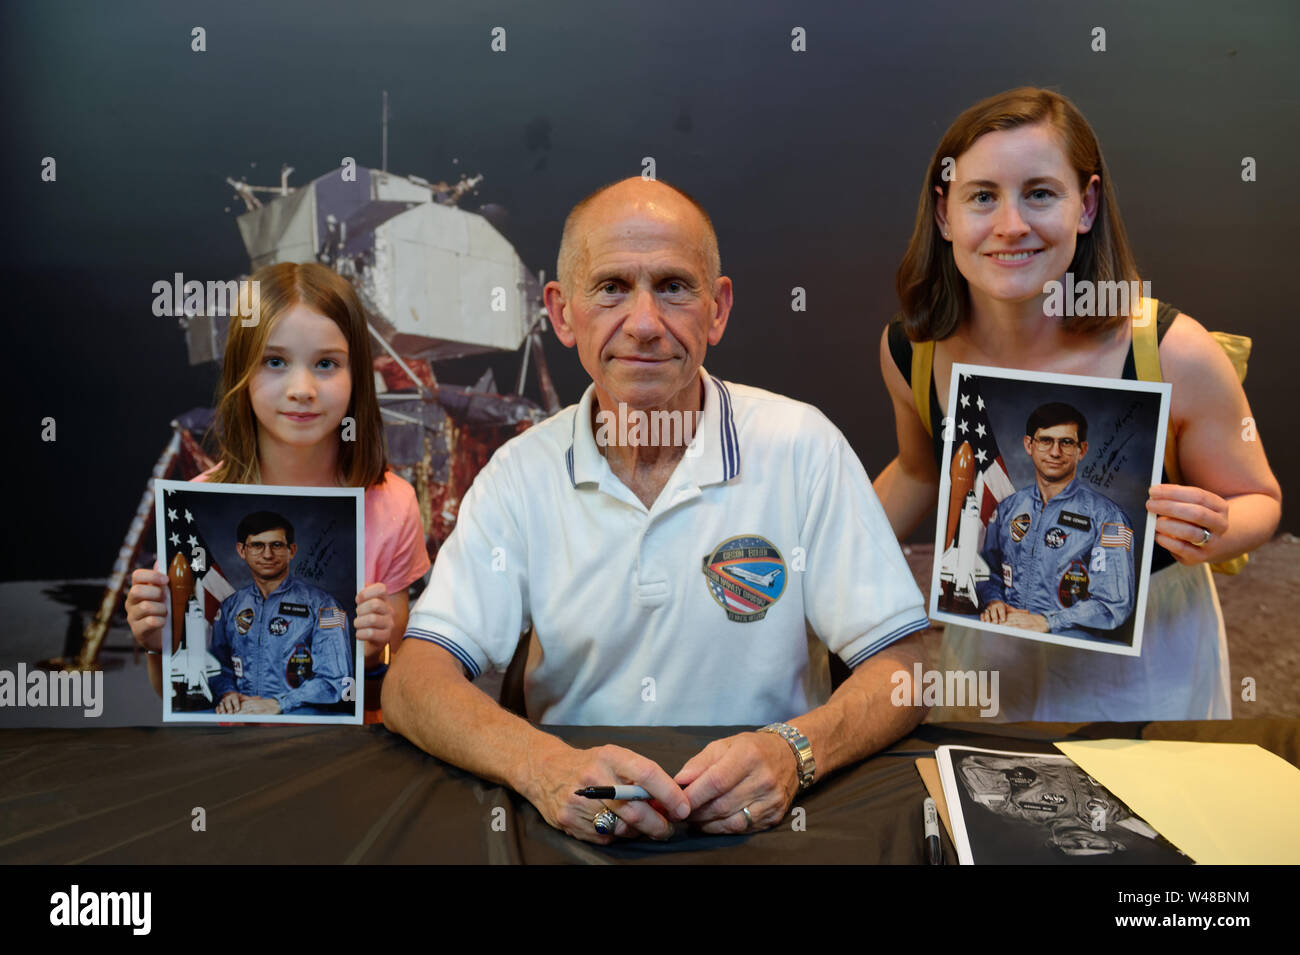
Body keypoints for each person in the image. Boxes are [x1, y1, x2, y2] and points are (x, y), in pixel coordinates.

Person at [383, 177, 931, 845]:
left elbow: (907, 668)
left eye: (673, 286)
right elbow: (413, 681)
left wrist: (792, 752)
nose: (643, 324)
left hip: (774, 829)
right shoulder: (519, 475)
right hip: (580, 830)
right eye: (611, 287)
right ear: (561, 312)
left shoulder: (801, 446)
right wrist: (544, 766)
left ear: (718, 308)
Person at [875, 87, 1282, 721]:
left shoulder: (1172, 350)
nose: (1011, 224)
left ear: (1085, 205)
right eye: (982, 196)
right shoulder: (914, 348)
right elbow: (919, 471)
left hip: (1143, 658)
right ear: (944, 212)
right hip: (991, 650)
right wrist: (821, 562)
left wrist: (1218, 529)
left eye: (1040, 193)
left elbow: (1261, 499)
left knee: (1148, 815)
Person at [125, 262, 432, 711]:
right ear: (241, 373)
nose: (302, 388)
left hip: (350, 762)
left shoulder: (393, 504)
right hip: (236, 764)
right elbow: (186, 691)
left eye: (326, 363)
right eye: (275, 362)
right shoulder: (191, 505)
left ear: (357, 376)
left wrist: (374, 654)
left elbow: (389, 687)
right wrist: (158, 642)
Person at [975, 402, 1135, 640]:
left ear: (1082, 450)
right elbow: (989, 571)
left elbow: (1113, 603)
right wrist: (994, 600)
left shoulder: (1107, 517)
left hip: (1071, 644)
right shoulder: (1009, 508)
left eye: (1066, 442)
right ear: (1029, 445)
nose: (1055, 452)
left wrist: (1048, 621)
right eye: (1045, 440)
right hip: (1008, 635)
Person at [209, 511, 352, 715]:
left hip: (301, 719)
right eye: (258, 545)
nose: (267, 554)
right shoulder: (230, 607)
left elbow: (337, 680)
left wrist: (280, 703)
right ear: (242, 550)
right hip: (243, 717)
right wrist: (227, 692)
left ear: (291, 550)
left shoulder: (324, 605)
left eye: (276, 545)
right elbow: (218, 666)